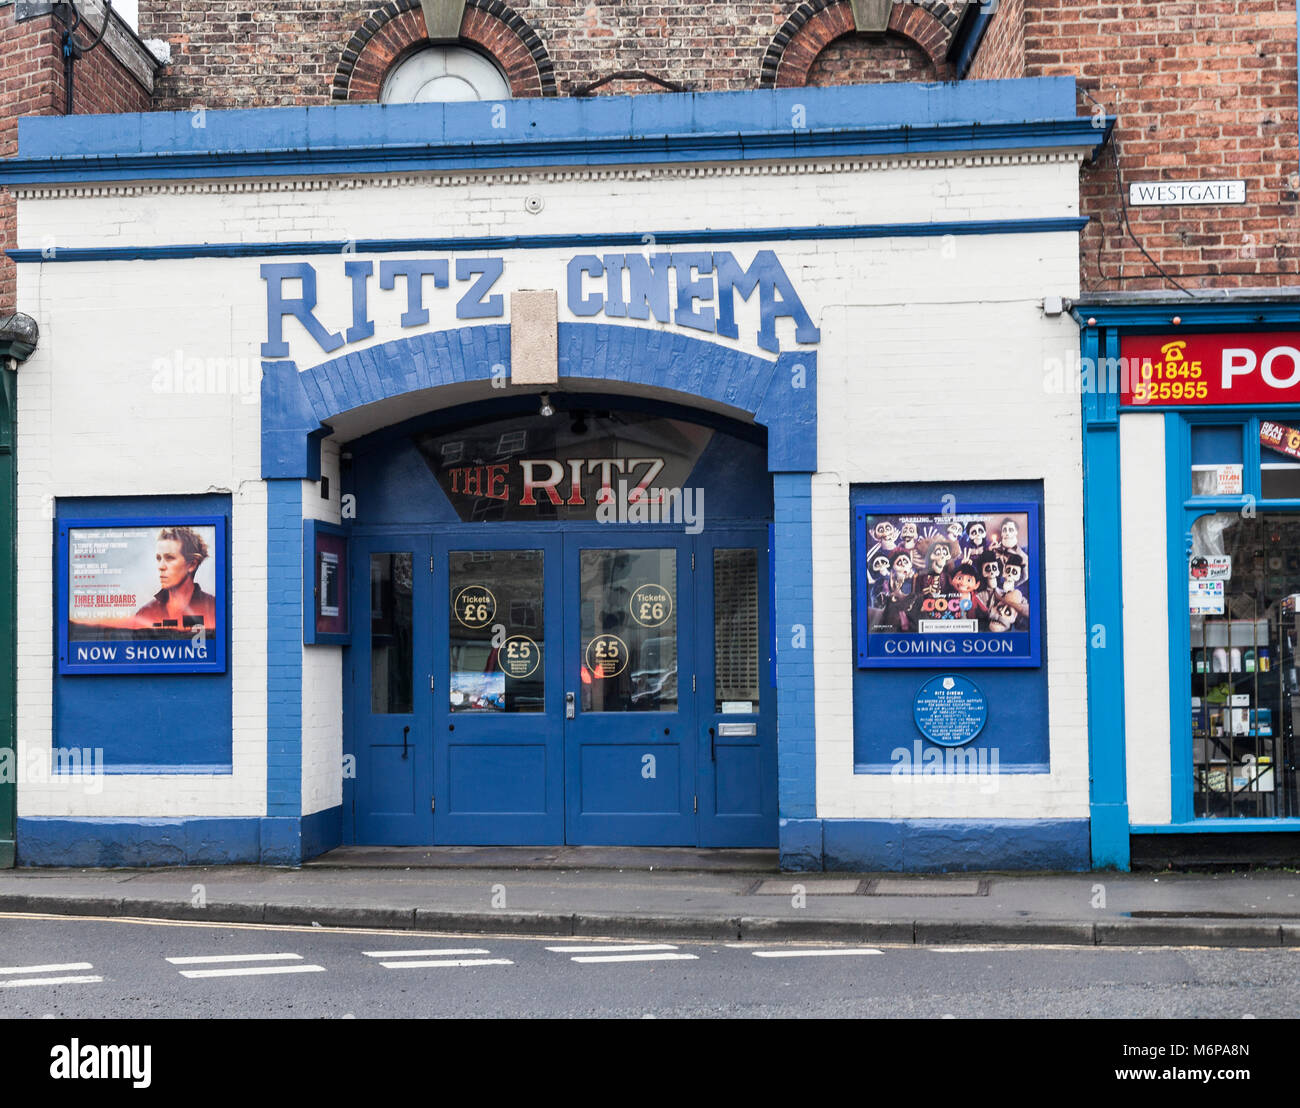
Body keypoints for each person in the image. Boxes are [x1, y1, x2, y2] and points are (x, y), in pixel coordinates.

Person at [134, 526, 217, 630]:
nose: (161, 566)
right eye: (159, 558)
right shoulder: (145, 614)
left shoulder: (214, 608)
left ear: (192, 564)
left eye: (169, 558)